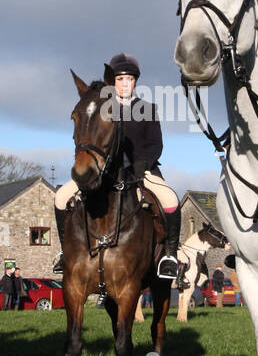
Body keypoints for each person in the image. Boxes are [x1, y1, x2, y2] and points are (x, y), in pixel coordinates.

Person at [53, 54, 181, 280]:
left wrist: (139, 166)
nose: (124, 83)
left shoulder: (147, 108)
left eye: (129, 79)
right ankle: (66, 251)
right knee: (61, 197)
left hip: (141, 170)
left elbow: (155, 144)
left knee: (170, 199)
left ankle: (170, 256)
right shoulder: (101, 108)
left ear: (135, 83)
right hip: (102, 171)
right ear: (113, 83)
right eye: (120, 79)